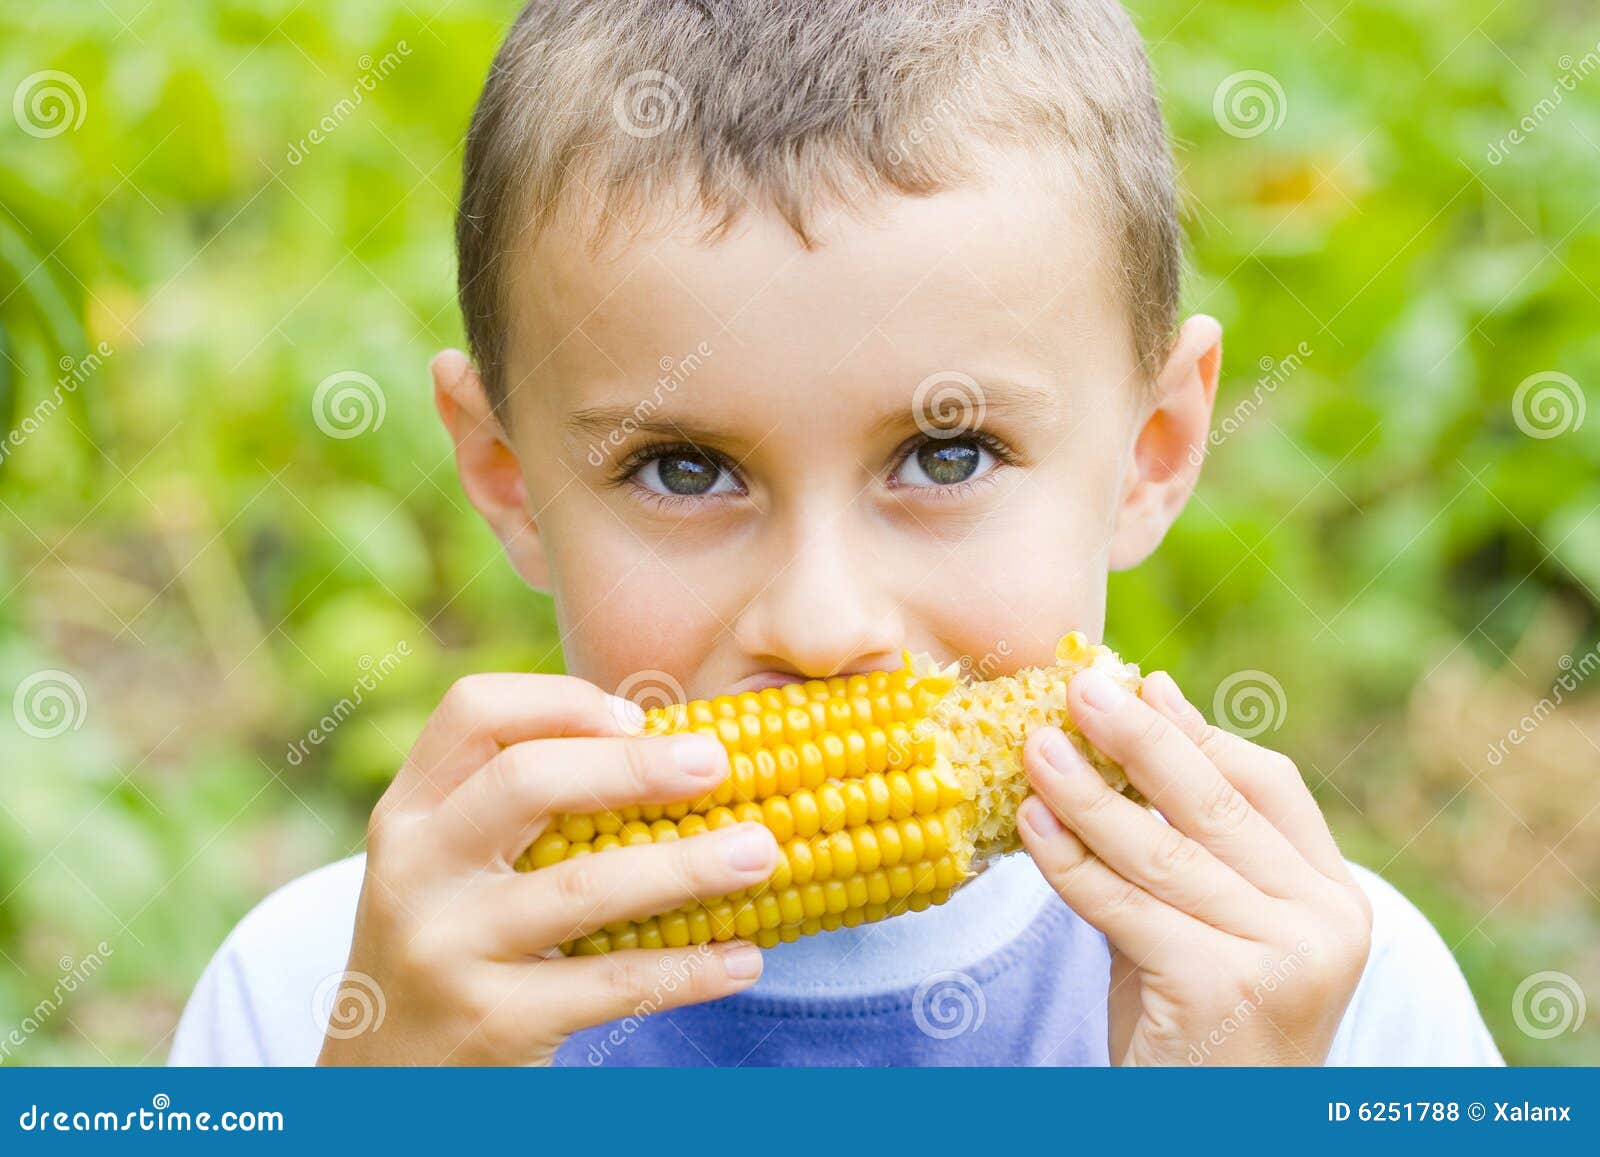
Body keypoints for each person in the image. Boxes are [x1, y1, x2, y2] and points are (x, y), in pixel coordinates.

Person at [171, 0, 1501, 1066]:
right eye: (685, 468)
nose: (820, 623)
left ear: (1150, 451)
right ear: (509, 476)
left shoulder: (1331, 1007)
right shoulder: (324, 1003)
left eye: (946, 454)